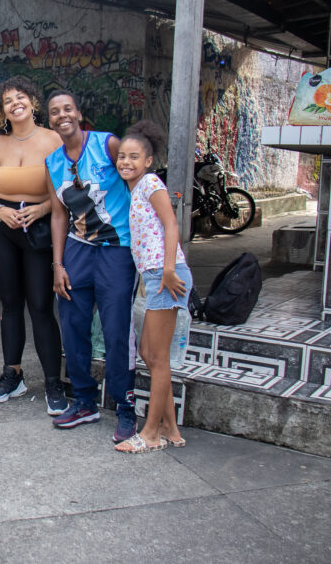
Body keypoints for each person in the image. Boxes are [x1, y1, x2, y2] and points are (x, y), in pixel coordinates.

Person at [45, 89, 138, 443]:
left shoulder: (107, 144)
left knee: (116, 330)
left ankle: (125, 408)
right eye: (55, 112)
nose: (62, 115)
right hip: (77, 250)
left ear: (79, 114)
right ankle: (84, 401)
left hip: (118, 249)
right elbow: (58, 214)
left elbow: (138, 184)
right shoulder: (52, 163)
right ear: (50, 121)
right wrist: (58, 264)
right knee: (72, 326)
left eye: (68, 108)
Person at [0, 77, 68, 412]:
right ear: (2, 111)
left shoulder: (53, 140)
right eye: (8, 101)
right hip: (3, 228)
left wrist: (42, 209)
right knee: (10, 303)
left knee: (40, 305)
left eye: (21, 97)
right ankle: (12, 374)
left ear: (33, 102)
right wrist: (0, 211)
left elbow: (69, 187)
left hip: (40, 227)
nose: (16, 103)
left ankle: (53, 382)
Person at [114, 120, 191, 453]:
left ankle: (150, 434)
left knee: (158, 359)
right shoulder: (135, 190)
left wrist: (169, 270)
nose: (126, 162)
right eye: (122, 156)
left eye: (134, 157)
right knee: (148, 353)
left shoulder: (150, 182)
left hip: (167, 274)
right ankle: (171, 429)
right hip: (156, 276)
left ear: (148, 160)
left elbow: (171, 224)